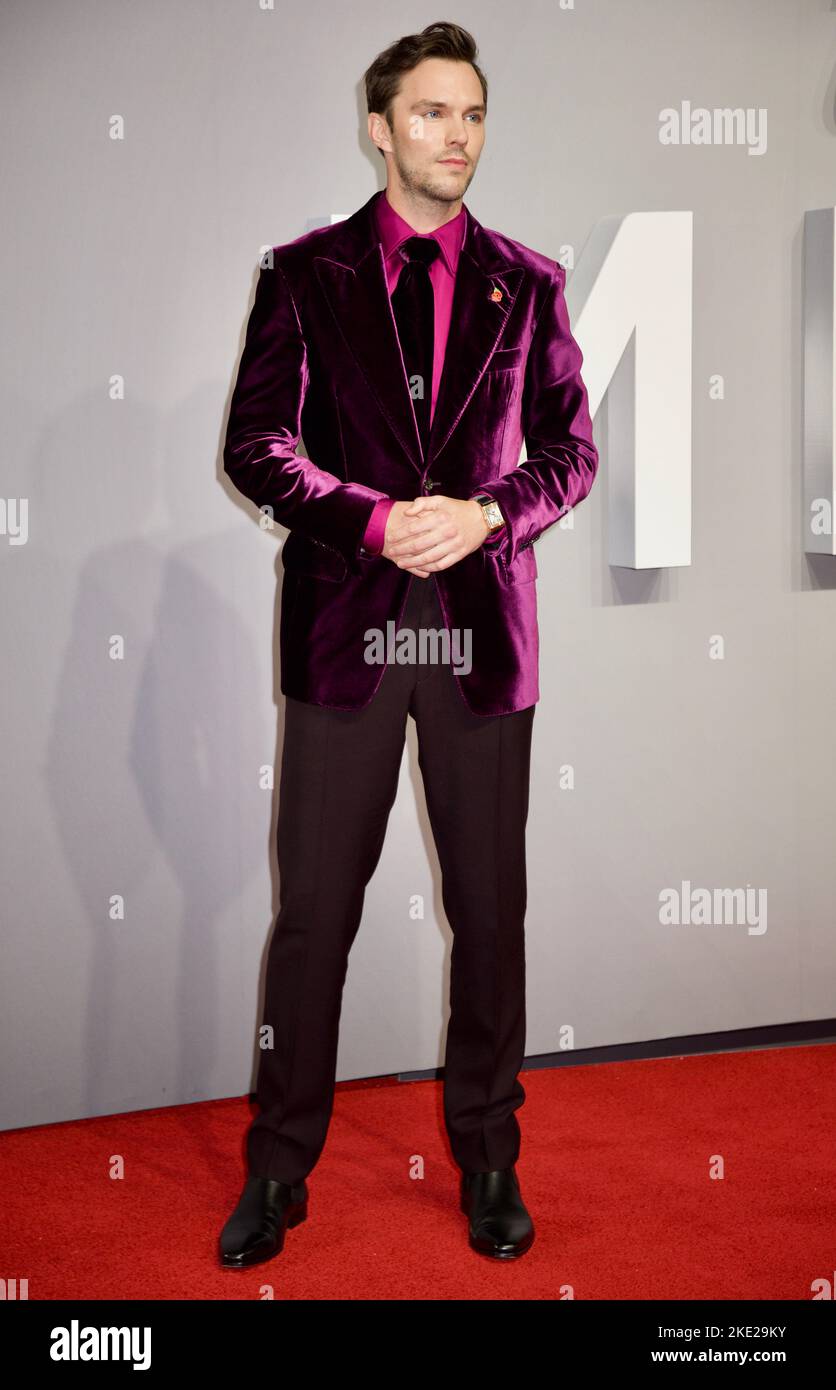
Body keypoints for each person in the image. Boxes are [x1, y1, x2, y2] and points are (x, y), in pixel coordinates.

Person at [219, 19, 598, 1268]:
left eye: (473, 114)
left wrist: (486, 512)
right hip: (346, 635)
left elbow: (570, 453)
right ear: (379, 127)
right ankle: (278, 1170)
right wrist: (376, 519)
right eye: (432, 113)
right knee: (312, 917)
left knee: (491, 912)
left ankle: (488, 1156)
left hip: (484, 639)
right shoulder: (303, 273)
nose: (457, 136)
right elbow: (256, 448)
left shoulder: (529, 282)